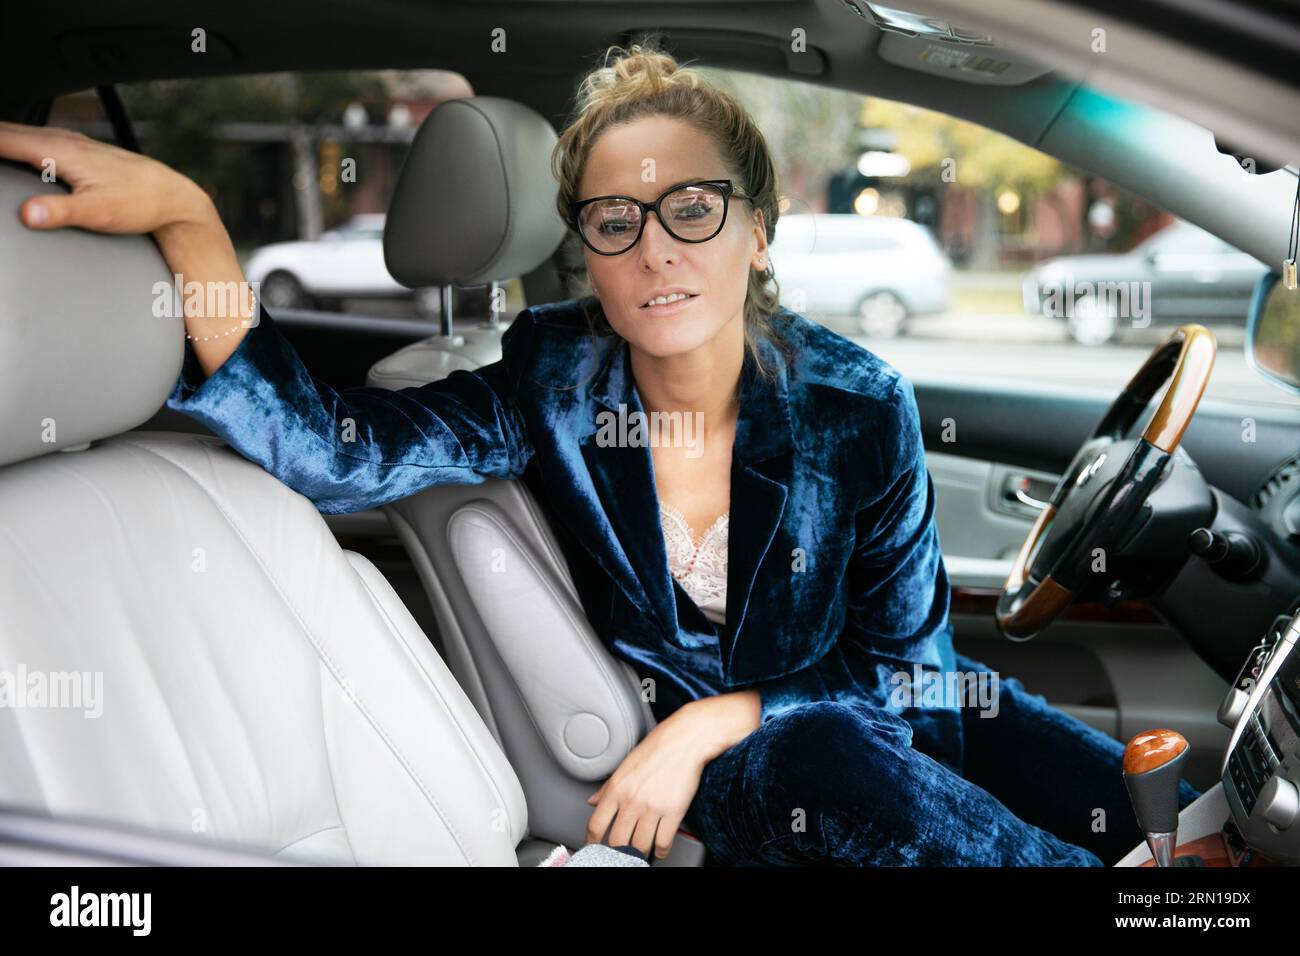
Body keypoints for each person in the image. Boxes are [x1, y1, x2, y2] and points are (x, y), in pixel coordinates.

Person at [0, 42, 1199, 866]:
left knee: (993, 705)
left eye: (693, 207)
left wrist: (719, 714)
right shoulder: (550, 373)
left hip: (787, 729)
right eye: (614, 221)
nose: (655, 248)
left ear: (759, 234)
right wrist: (192, 223)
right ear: (586, 250)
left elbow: (910, 674)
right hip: (737, 783)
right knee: (828, 743)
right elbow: (332, 456)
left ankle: (1189, 849)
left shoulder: (856, 401)